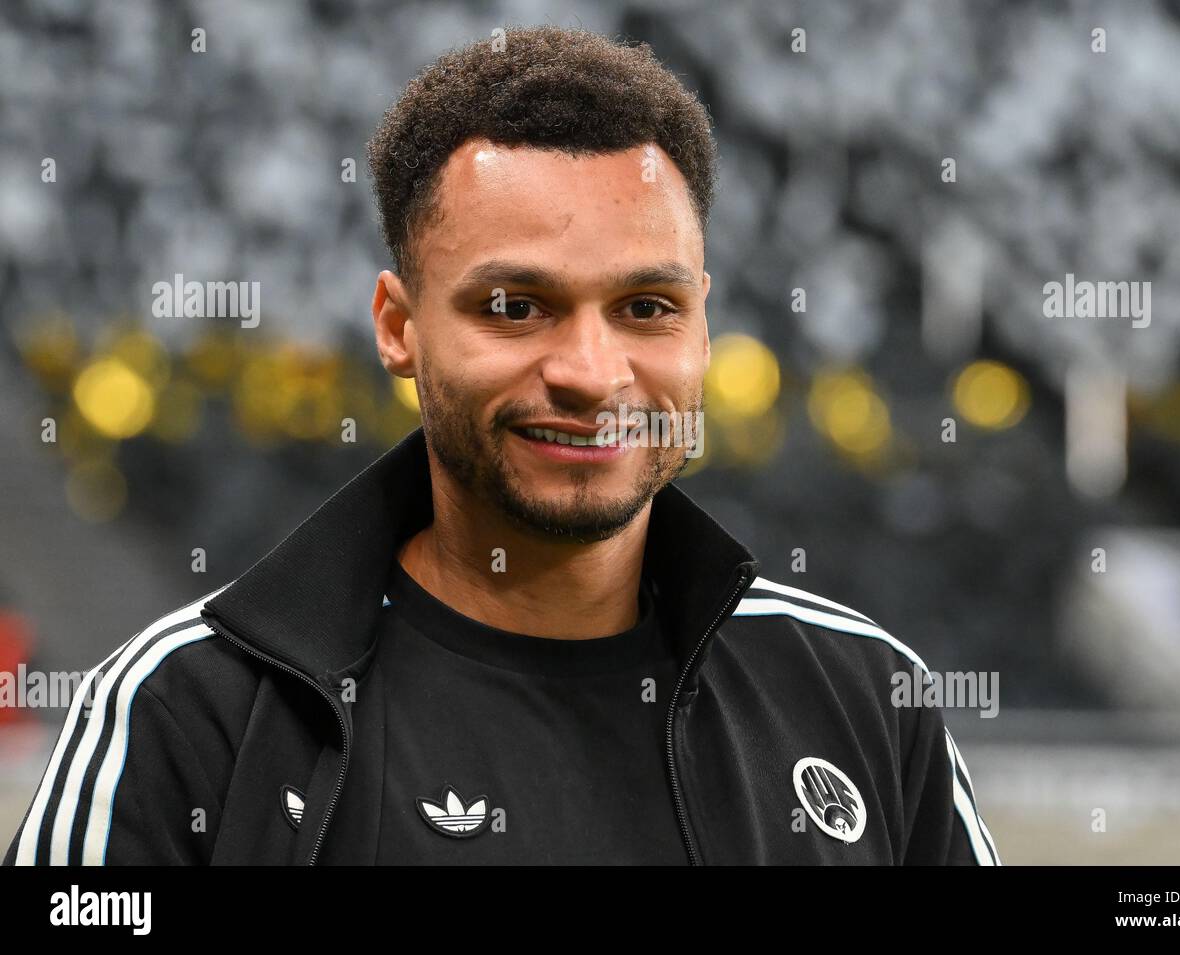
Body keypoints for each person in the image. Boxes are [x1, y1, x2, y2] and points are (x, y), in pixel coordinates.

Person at [4, 25, 1000, 865]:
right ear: (397, 325)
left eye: (646, 305)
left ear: (702, 327)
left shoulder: (867, 698)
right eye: (515, 306)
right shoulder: (189, 717)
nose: (589, 370)